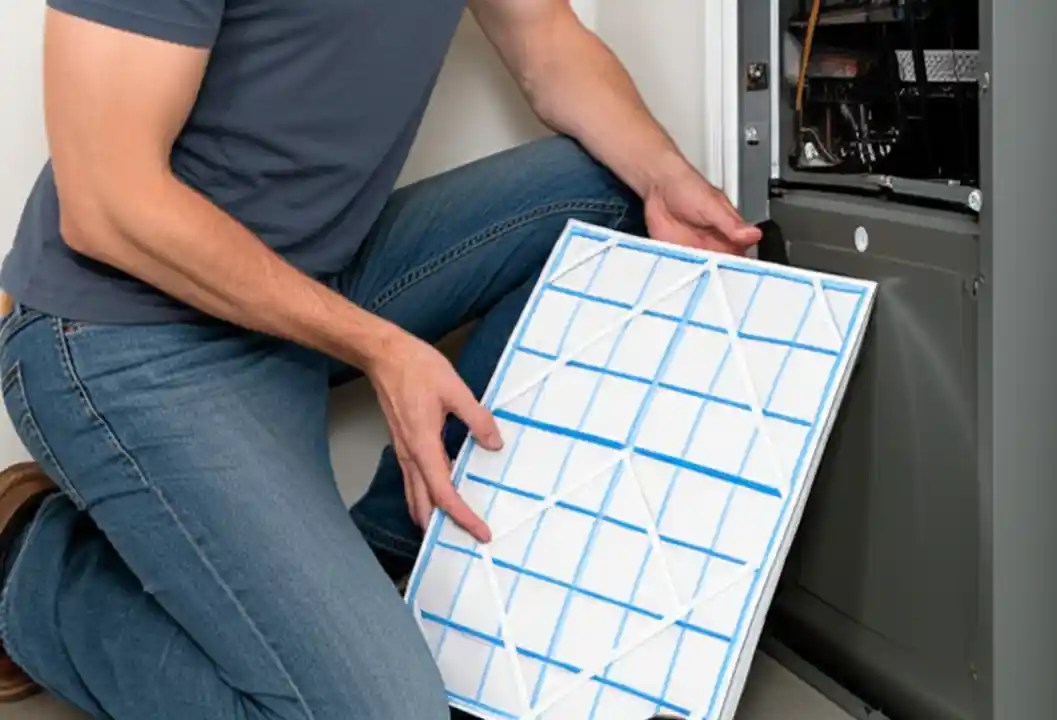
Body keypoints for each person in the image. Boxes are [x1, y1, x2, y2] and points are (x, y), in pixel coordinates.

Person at [0, 0, 762, 715]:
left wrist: (669, 177)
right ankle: (31, 563)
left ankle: (392, 555)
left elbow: (546, 42)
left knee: (603, 193)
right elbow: (105, 205)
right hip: (120, 335)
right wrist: (376, 345)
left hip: (304, 288)